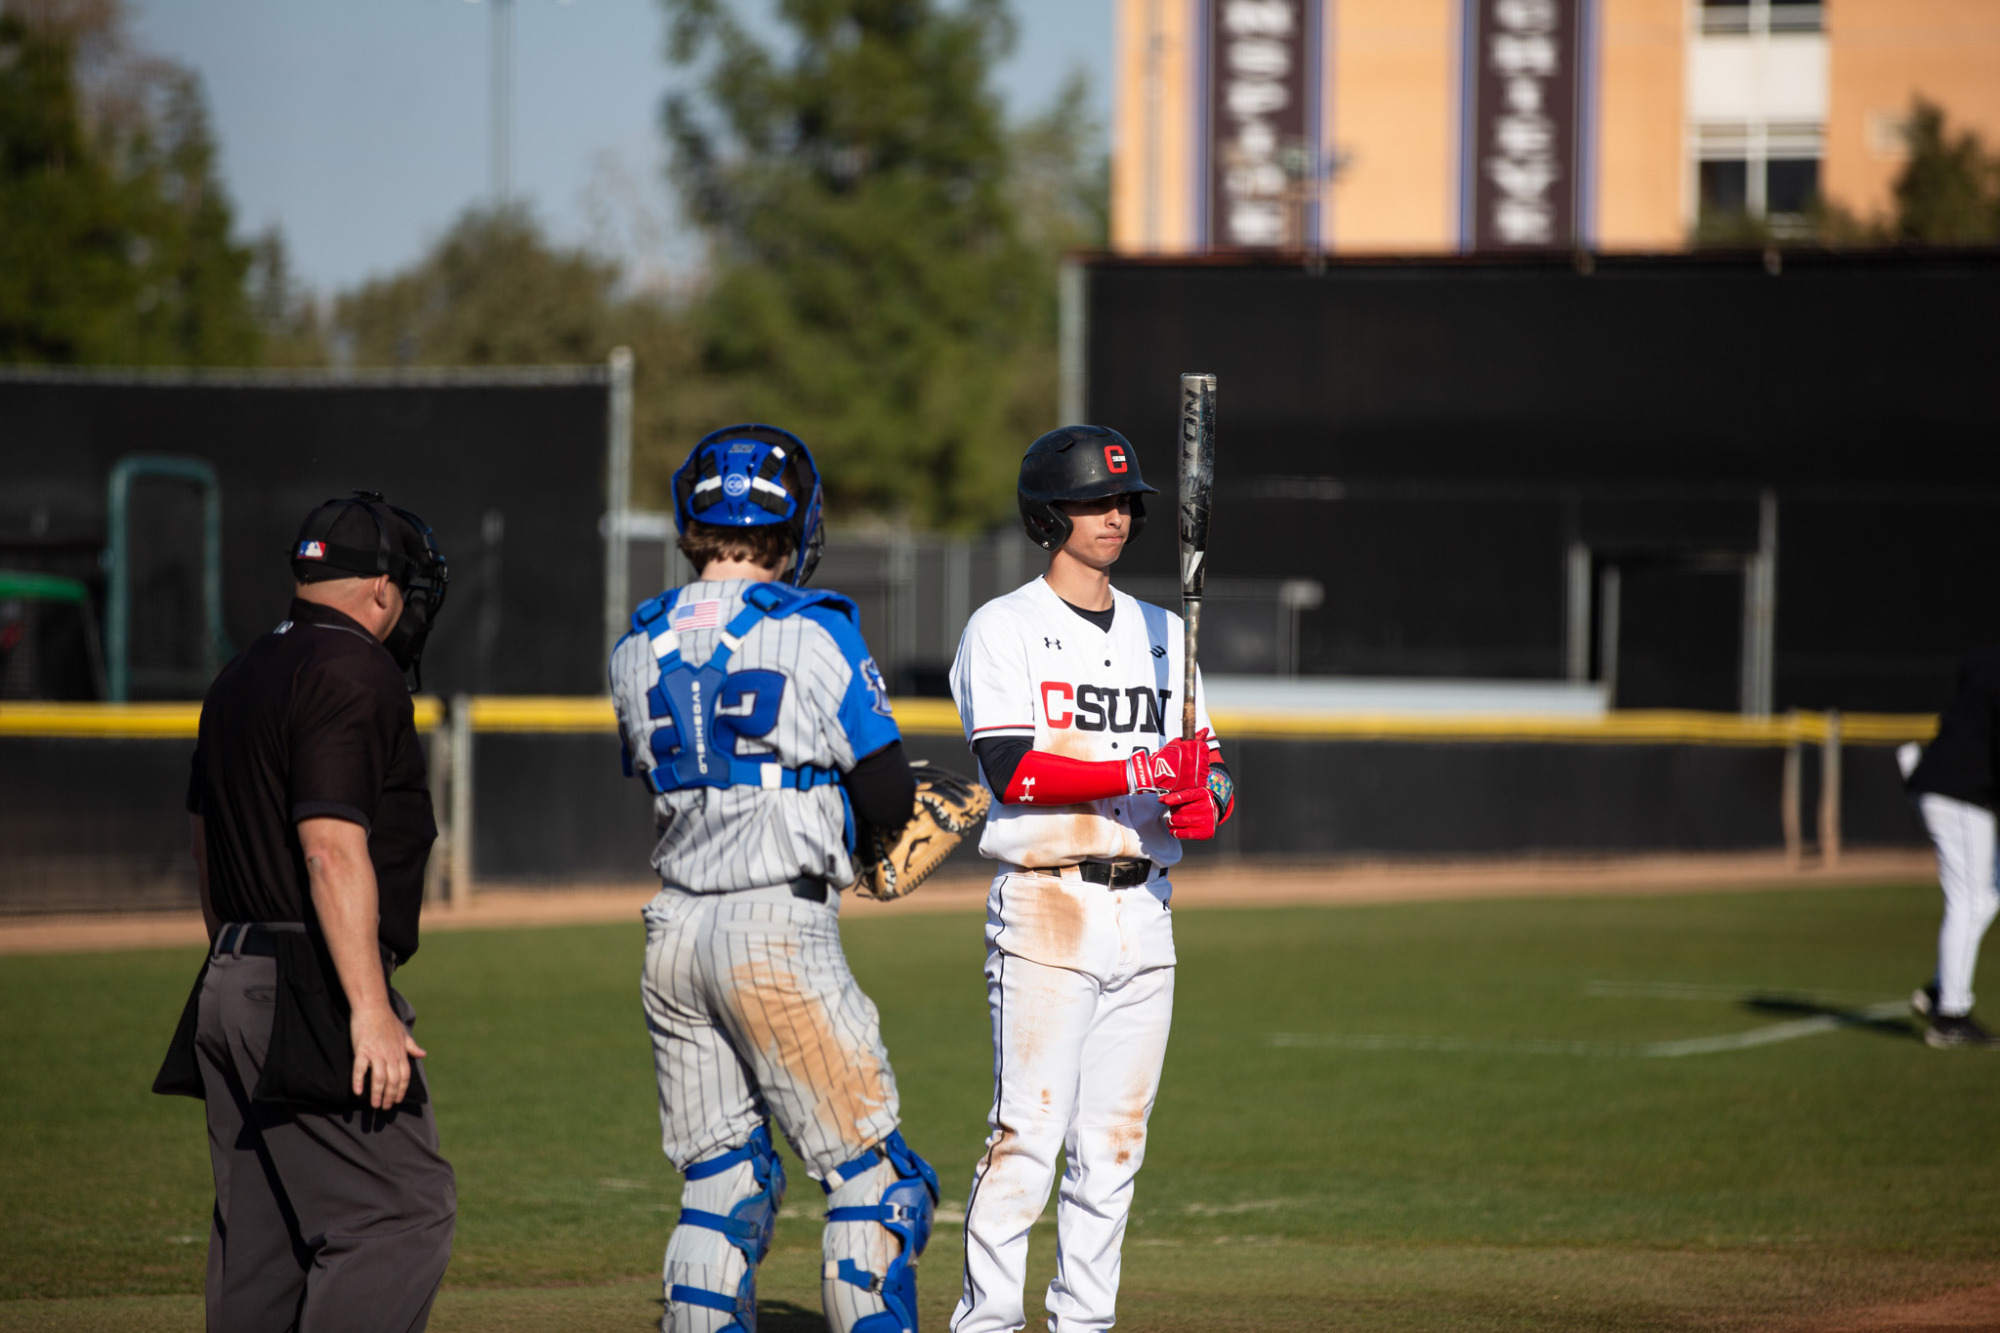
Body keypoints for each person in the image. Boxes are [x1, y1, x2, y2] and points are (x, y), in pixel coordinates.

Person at [608, 424, 941, 1333]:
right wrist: (877, 834)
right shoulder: (814, 628)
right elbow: (879, 784)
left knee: (724, 1179)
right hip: (775, 927)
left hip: (673, 933)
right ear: (796, 523)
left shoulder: (634, 647)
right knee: (878, 1183)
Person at [946, 425, 1236, 1333]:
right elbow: (1011, 770)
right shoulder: (1004, 627)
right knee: (1025, 1140)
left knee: (1113, 1150)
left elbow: (1213, 764)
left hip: (1146, 909)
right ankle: (987, 1322)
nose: (1114, 514)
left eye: (1123, 502)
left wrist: (1208, 802)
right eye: (1092, 501)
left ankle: (1084, 1324)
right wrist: (1146, 776)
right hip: (1047, 905)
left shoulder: (1165, 632)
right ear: (1047, 515)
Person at [153, 490, 456, 1331]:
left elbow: (203, 845)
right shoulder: (353, 669)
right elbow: (328, 844)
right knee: (398, 1215)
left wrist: (238, 970)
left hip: (230, 972)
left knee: (264, 1243)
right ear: (382, 589)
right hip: (306, 982)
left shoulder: (241, 672)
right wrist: (366, 1007)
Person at [1903, 644, 2000, 1048]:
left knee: (1990, 896)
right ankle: (1951, 1016)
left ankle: (1940, 990)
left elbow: (1968, 668)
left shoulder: (1985, 661)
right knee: (1971, 900)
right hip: (1958, 792)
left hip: (1955, 786)